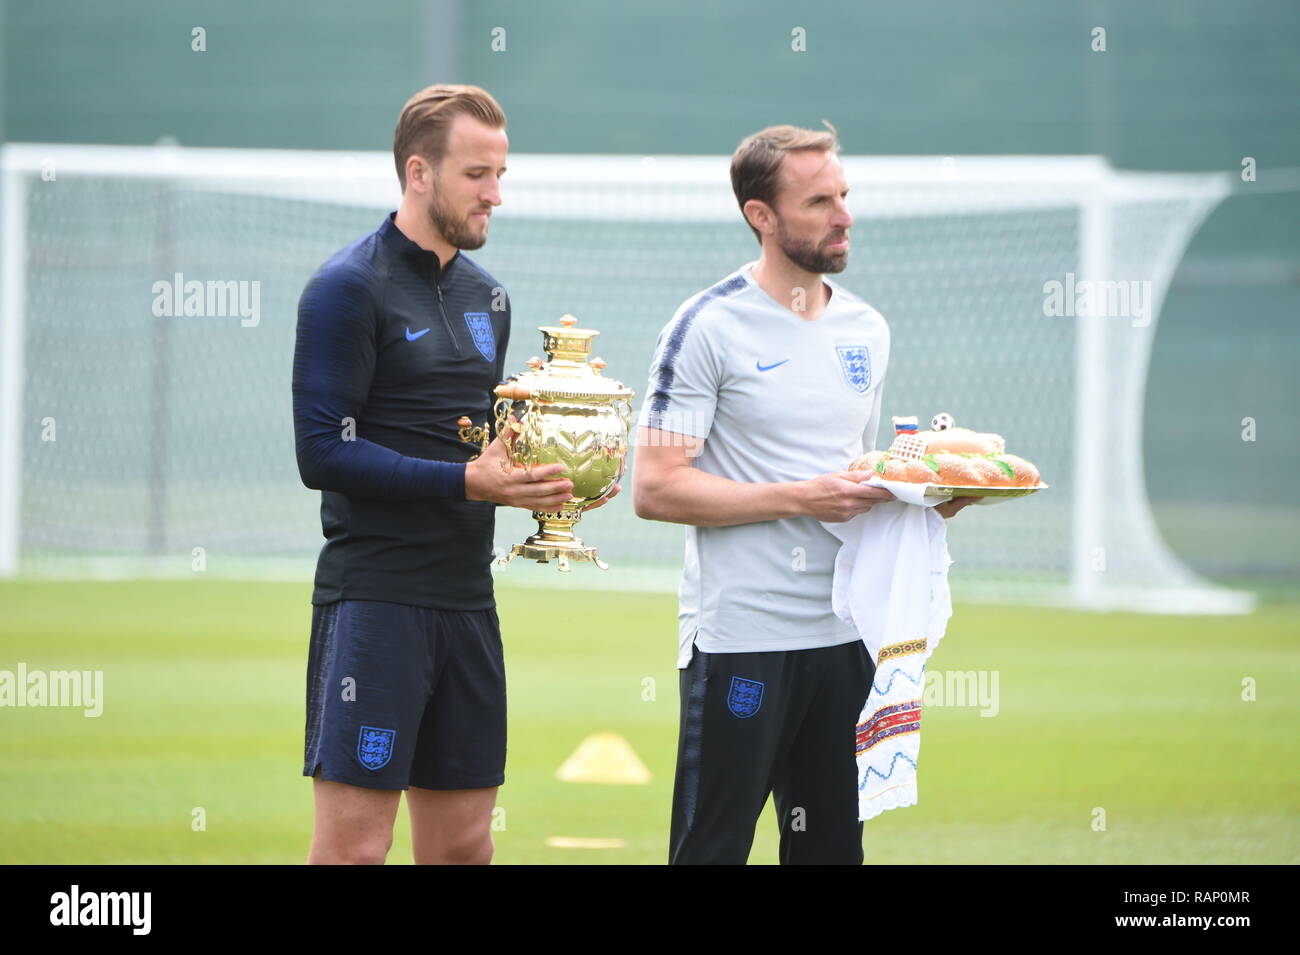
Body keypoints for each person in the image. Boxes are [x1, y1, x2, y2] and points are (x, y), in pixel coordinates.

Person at [632, 122, 977, 865]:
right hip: (744, 642)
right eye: (819, 200)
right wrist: (801, 496)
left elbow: (855, 478)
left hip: (845, 635)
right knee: (711, 851)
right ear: (762, 216)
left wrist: (930, 494)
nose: (844, 214)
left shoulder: (868, 328)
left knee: (829, 854)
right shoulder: (706, 325)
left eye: (843, 195)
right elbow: (656, 489)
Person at [292, 84, 579, 865]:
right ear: (419, 172)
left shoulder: (490, 296)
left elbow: (471, 446)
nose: (494, 194)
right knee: (354, 850)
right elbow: (321, 452)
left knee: (463, 849)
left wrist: (540, 474)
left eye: (500, 174)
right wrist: (466, 484)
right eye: (476, 175)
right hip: (377, 602)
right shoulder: (347, 287)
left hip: (467, 602)